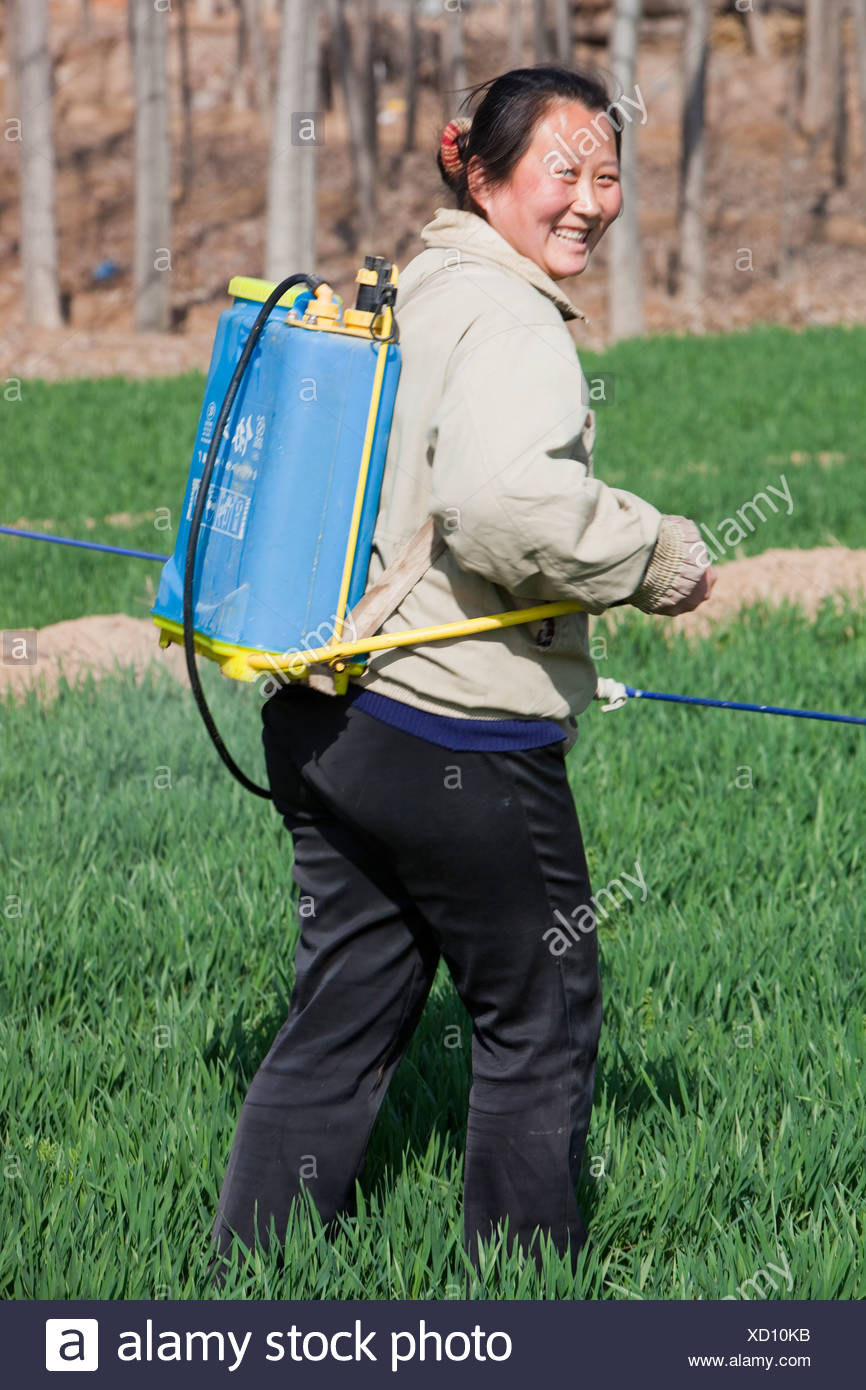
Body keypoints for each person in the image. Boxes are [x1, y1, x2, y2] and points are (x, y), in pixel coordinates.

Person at [208, 64, 716, 1288]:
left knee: (341, 1013)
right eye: (561, 170)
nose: (589, 200)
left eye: (606, 174)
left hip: (332, 718)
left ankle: (248, 1295)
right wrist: (655, 556)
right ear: (479, 173)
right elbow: (501, 503)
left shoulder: (420, 284)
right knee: (540, 1015)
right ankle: (525, 1316)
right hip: (455, 734)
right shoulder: (510, 317)